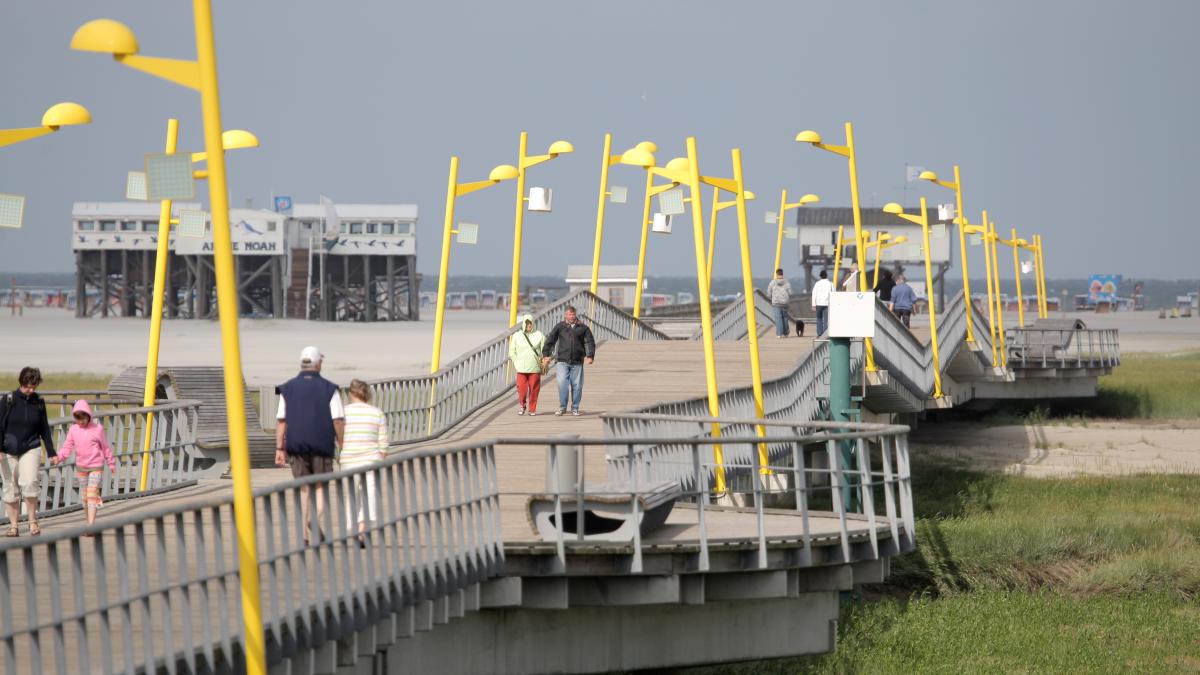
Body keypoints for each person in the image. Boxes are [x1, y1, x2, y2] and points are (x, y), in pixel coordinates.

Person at [275, 346, 345, 544]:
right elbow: (338, 420)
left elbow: (281, 421)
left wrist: (280, 449)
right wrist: (342, 444)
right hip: (322, 444)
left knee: (303, 489)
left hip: (296, 444)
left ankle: (303, 535)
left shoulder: (286, 388)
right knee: (321, 487)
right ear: (319, 364)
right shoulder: (330, 388)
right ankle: (313, 520)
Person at [0, 367, 55, 537]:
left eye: (34, 386)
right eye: (28, 386)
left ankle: (32, 521)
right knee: (10, 487)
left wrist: (52, 452)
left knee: (30, 482)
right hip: (8, 449)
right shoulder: (8, 400)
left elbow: (44, 427)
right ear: (21, 383)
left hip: (31, 446)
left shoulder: (38, 401)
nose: (31, 390)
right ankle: (14, 526)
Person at [51, 400, 115, 532]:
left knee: (92, 493)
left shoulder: (98, 429)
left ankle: (91, 526)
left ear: (89, 416)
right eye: (77, 419)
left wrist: (111, 463)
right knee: (85, 496)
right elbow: (67, 446)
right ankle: (88, 522)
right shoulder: (73, 430)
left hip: (96, 466)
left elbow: (106, 447)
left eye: (83, 418)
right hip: (81, 467)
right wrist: (60, 457)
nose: (81, 422)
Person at [338, 379, 387, 548]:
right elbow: (383, 442)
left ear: (351, 393)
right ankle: (362, 530)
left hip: (349, 459)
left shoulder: (344, 413)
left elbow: (338, 436)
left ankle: (351, 529)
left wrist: (342, 449)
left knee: (351, 495)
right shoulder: (376, 412)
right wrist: (381, 457)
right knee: (369, 495)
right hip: (371, 460)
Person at [541, 306, 595, 416]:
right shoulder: (560, 327)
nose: (571, 316)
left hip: (577, 362)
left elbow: (590, 342)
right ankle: (562, 407)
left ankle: (575, 408)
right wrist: (546, 354)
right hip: (562, 361)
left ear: (575, 315)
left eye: (573, 314)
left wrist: (590, 356)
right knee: (562, 384)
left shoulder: (583, 328)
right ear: (565, 315)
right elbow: (550, 340)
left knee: (577, 386)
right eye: (569, 314)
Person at [508, 313, 546, 416]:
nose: (529, 325)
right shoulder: (517, 335)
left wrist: (545, 360)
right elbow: (512, 351)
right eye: (527, 323)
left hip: (534, 367)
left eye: (530, 323)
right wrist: (516, 361)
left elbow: (545, 350)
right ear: (523, 324)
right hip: (521, 367)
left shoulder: (540, 335)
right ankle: (522, 404)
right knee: (521, 388)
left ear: (533, 323)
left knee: (534, 389)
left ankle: (532, 409)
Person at [767, 268, 792, 338]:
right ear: (782, 274)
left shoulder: (772, 283)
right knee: (785, 317)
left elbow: (769, 293)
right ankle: (786, 333)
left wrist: (771, 296)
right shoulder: (787, 282)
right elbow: (790, 292)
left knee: (778, 318)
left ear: (777, 274)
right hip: (785, 303)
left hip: (776, 303)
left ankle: (779, 334)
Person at [811, 270, 833, 337]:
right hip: (827, 304)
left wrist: (813, 304)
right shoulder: (831, 284)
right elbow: (834, 294)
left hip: (819, 304)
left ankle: (819, 334)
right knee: (826, 320)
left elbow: (814, 294)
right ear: (826, 276)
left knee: (819, 319)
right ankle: (825, 334)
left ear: (820, 276)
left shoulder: (817, 284)